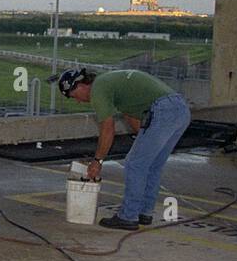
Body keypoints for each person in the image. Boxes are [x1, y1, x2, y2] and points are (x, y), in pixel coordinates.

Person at [51, 68, 191, 231]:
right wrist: (145, 141)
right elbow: (132, 117)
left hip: (163, 111)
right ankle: (144, 213)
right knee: (151, 165)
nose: (78, 101)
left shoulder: (98, 90)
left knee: (134, 164)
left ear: (80, 85)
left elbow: (107, 129)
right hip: (180, 111)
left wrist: (97, 161)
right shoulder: (111, 84)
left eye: (74, 96)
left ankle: (128, 216)